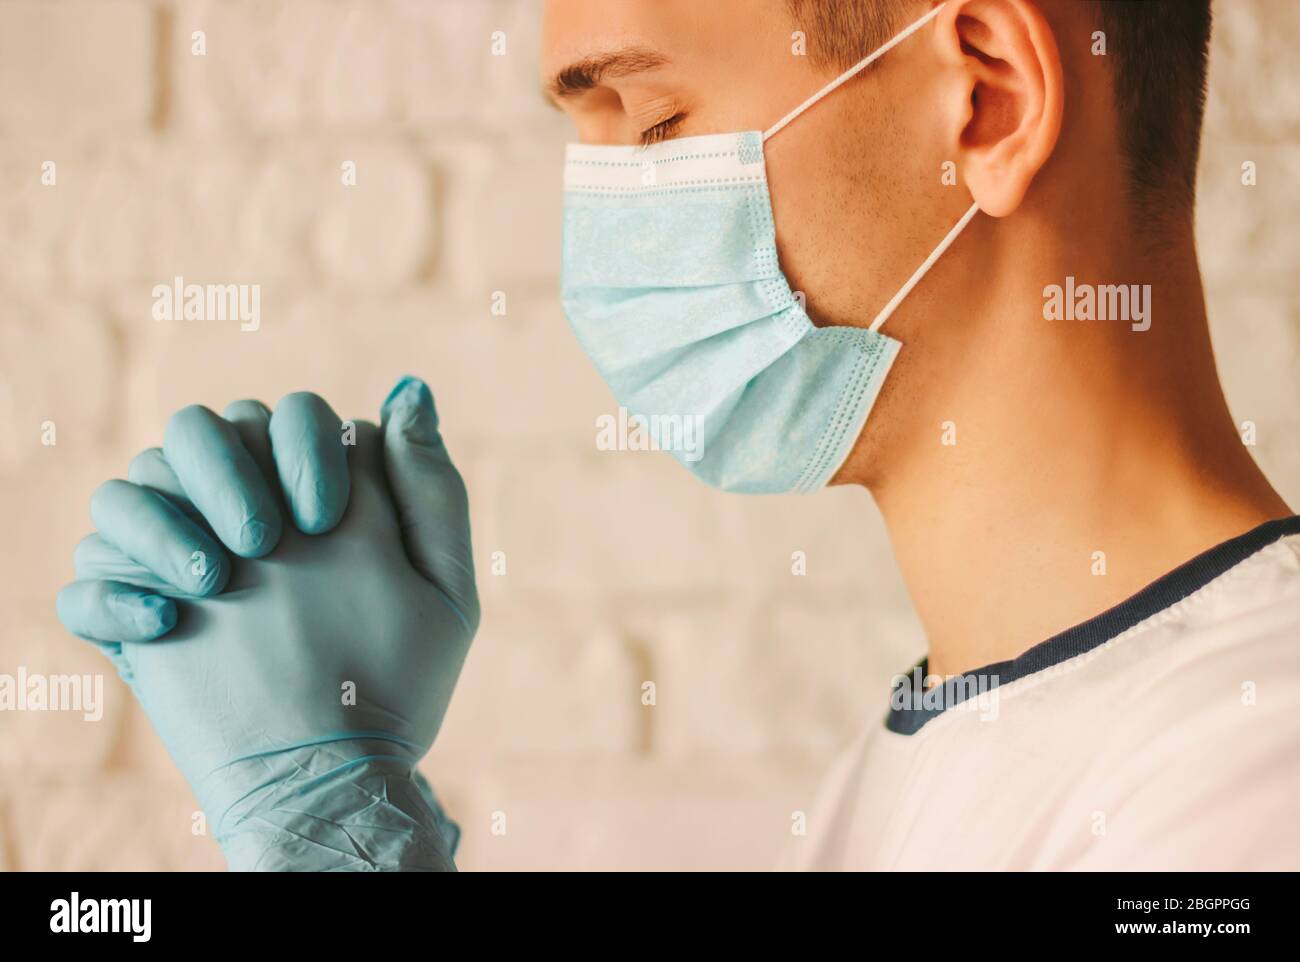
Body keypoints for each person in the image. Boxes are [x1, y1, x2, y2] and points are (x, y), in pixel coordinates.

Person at [56, 0, 1299, 871]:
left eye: (652, 126)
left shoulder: (1254, 768)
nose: (597, 238)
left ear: (987, 98)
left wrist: (334, 832)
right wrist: (342, 774)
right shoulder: (918, 755)